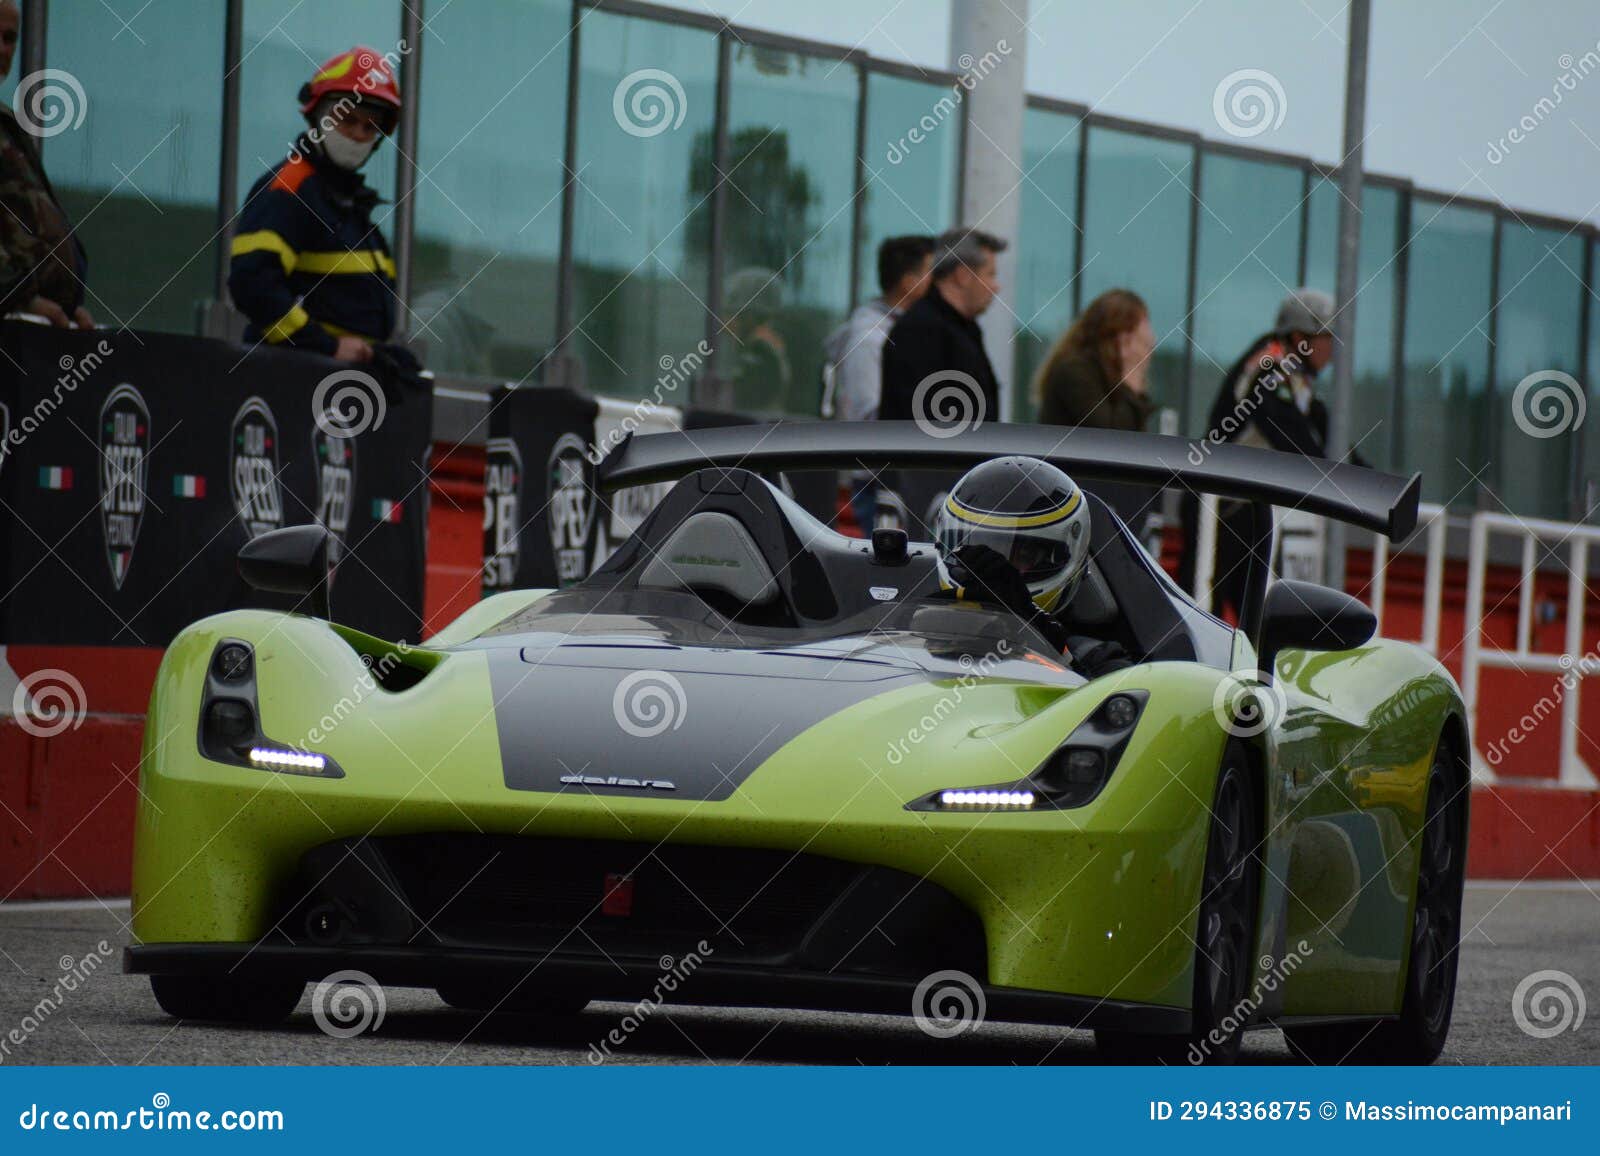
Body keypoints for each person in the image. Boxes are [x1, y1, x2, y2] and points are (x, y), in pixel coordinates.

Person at [1183, 287, 1354, 617]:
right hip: (1217, 508)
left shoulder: (1296, 376)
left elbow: (1327, 430)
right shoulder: (1268, 366)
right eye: (1327, 338)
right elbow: (1287, 431)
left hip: (1246, 507)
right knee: (1203, 608)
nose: (1332, 350)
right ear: (1299, 336)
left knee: (1253, 611)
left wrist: (1365, 476)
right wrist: (1334, 476)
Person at [229, 46, 402, 363]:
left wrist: (377, 354)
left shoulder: (346, 201)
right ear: (318, 116)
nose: (357, 135)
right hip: (290, 380)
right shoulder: (290, 188)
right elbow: (251, 283)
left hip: (334, 381)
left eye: (369, 128)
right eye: (347, 120)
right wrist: (325, 345)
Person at [933, 455, 1131, 679]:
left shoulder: (1096, 660)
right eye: (980, 553)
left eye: (1024, 555)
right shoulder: (912, 628)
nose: (997, 573)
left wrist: (1041, 638)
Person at [821, 234, 934, 531]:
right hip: (877, 486)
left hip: (896, 480)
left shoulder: (901, 331)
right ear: (910, 282)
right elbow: (866, 415)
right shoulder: (870, 339)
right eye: (931, 273)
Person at [0, 0, 92, 328]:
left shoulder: (8, 126)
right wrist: (17, 298)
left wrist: (63, 305)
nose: (3, 49)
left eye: (9, 38)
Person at [879, 227, 1006, 427]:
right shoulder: (919, 331)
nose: (996, 286)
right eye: (990, 274)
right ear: (963, 275)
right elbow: (925, 422)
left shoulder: (961, 328)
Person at [1034, 288, 1154, 432]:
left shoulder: (1109, 378)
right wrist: (1131, 375)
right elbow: (1111, 437)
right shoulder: (1075, 370)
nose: (1145, 351)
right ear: (1120, 338)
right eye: (1140, 341)